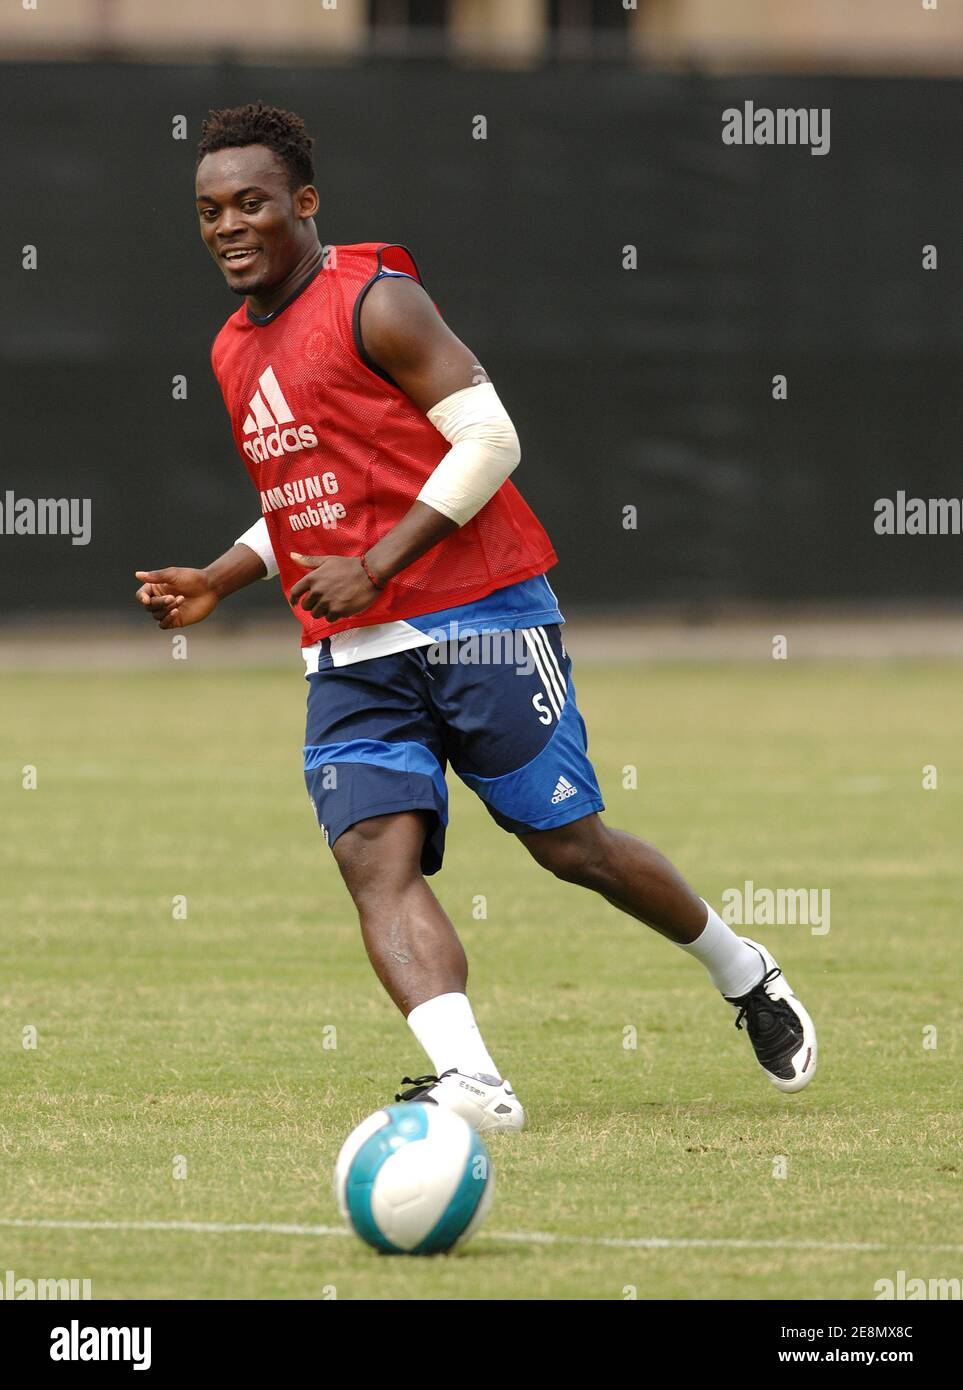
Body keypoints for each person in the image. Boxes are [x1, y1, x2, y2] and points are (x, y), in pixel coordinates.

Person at [135, 103, 816, 1133]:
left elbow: (490, 439)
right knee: (373, 855)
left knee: (572, 848)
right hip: (354, 652)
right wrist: (220, 579)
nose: (229, 225)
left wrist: (376, 564)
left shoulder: (379, 302)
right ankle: (473, 1080)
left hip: (481, 616)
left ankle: (744, 969)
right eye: (208, 210)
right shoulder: (234, 348)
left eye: (252, 204)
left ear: (304, 204)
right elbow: (306, 500)